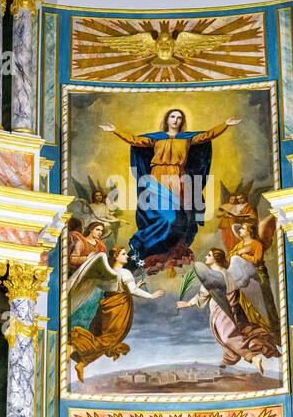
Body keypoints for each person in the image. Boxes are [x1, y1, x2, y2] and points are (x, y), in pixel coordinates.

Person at [100, 108, 239, 264]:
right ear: (167, 119)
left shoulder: (187, 139)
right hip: (157, 178)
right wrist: (115, 131)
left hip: (178, 178)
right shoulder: (156, 139)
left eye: (179, 118)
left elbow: (207, 136)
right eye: (172, 117)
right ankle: (140, 241)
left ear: (182, 121)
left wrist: (225, 125)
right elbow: (134, 140)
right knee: (166, 216)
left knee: (179, 218)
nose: (175, 120)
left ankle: (168, 248)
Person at [67, 246, 163, 382]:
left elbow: (117, 288)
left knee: (103, 337)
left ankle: (82, 362)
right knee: (110, 340)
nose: (127, 256)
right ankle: (74, 345)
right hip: (119, 308)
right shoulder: (125, 273)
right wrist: (151, 295)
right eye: (124, 254)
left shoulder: (109, 272)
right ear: (116, 256)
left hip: (107, 307)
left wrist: (135, 286)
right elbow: (132, 291)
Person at [177, 248, 279, 374]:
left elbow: (203, 294)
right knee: (228, 335)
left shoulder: (214, 275)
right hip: (231, 308)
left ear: (215, 258)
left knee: (227, 337)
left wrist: (187, 303)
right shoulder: (226, 273)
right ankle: (227, 361)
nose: (206, 258)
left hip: (223, 310)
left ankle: (252, 358)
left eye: (209, 255)